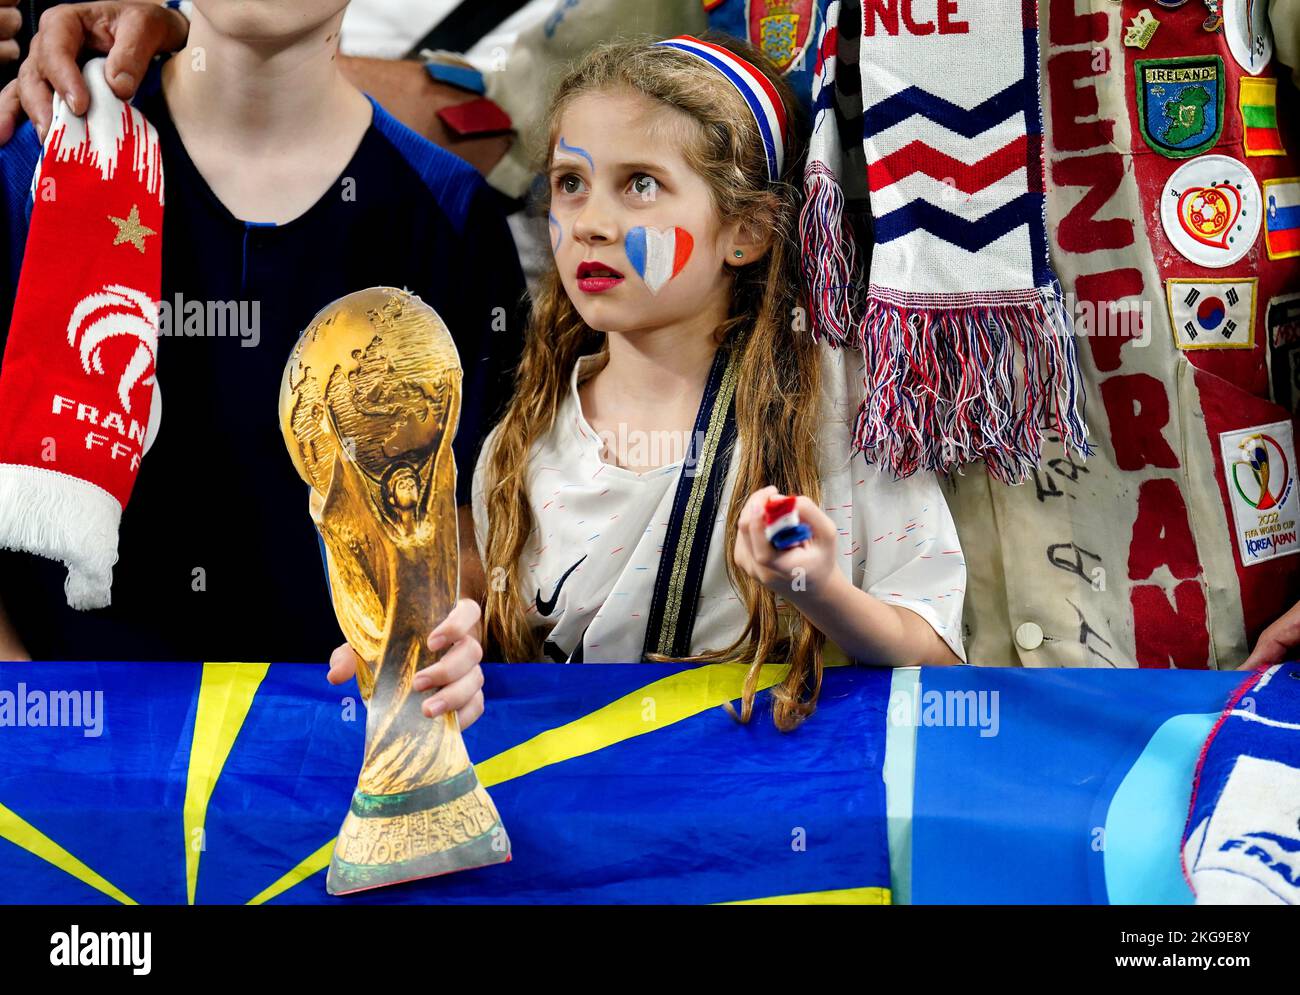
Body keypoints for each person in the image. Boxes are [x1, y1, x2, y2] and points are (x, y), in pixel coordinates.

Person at [0, 0, 525, 735]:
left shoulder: (450, 217)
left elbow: (468, 533)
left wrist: (452, 638)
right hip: (67, 767)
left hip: (338, 760)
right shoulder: (39, 167)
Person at [472, 34, 965, 731]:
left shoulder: (840, 407)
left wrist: (816, 588)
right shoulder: (518, 447)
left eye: (641, 184)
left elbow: (938, 655)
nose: (591, 224)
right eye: (570, 183)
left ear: (747, 230)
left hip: (780, 817)